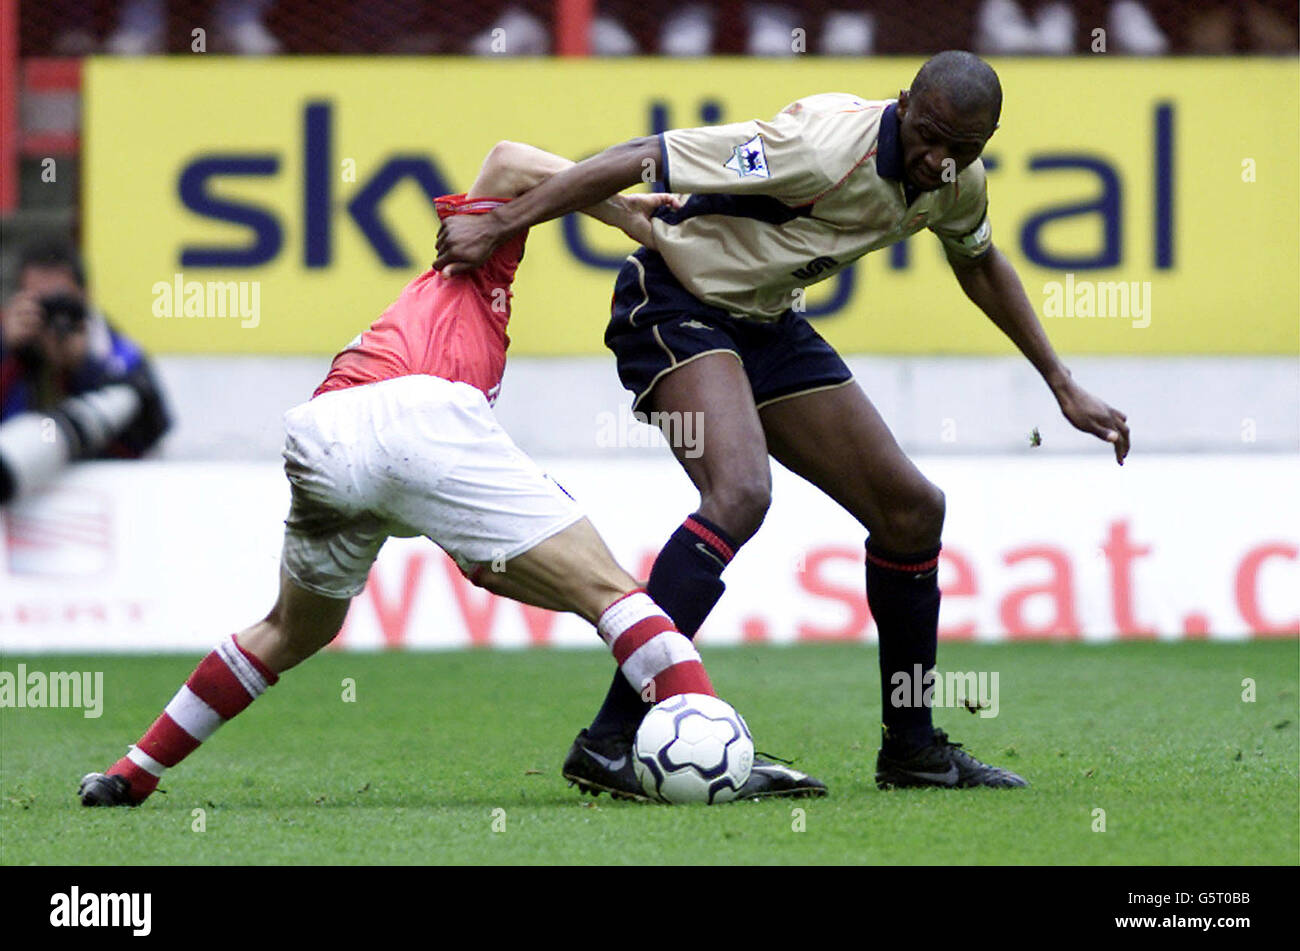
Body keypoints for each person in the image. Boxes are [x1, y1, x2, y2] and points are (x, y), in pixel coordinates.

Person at [433, 50, 1132, 795]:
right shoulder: (821, 146)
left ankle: (912, 750)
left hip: (767, 323)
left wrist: (1060, 382)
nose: (940, 161)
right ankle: (610, 740)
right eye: (929, 137)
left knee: (911, 511)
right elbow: (640, 158)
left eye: (965, 148)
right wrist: (501, 222)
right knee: (740, 493)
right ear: (903, 104)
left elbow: (980, 260)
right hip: (677, 301)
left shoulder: (956, 179)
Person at [78, 141, 726, 808]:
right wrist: (628, 213)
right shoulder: (478, 265)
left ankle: (132, 772)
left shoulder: (451, 313)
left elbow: (483, 558)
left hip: (325, 435)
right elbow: (508, 159)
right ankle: (714, 737)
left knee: (293, 630)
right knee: (614, 592)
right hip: (421, 413)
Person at [0, 241, 170, 503]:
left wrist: (83, 370)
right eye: (40, 302)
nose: (52, 313)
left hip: (100, 496)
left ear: (84, 296)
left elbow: (151, 430)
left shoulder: (116, 353)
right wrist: (6, 352)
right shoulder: (12, 347)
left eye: (60, 300)